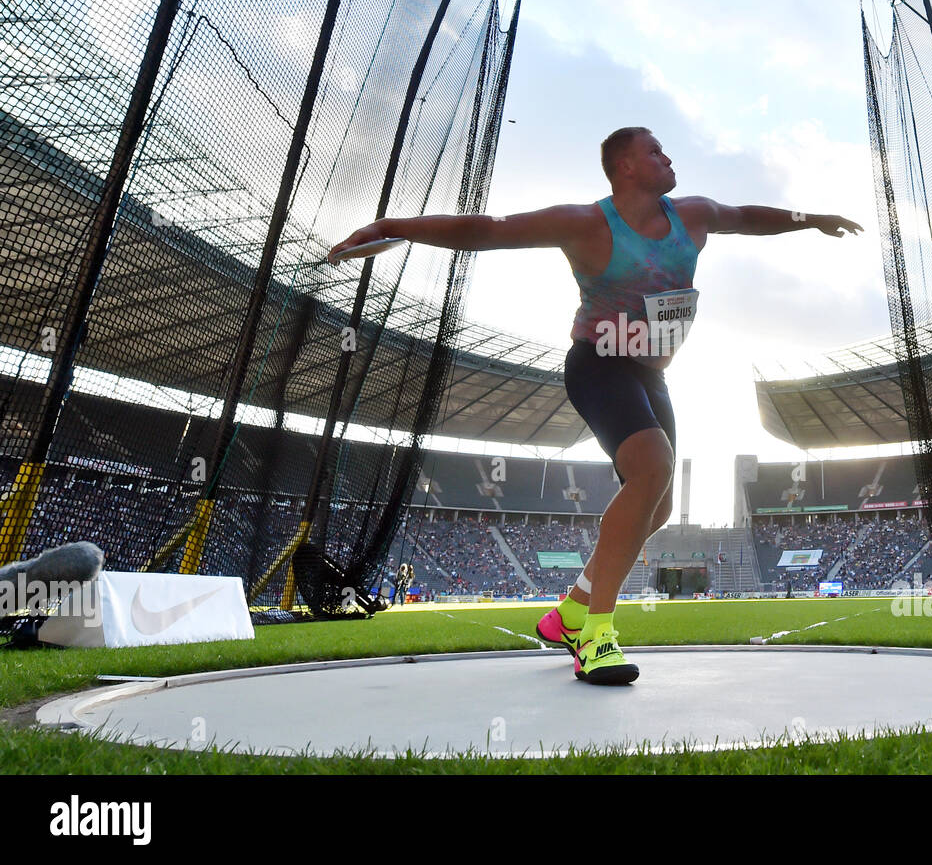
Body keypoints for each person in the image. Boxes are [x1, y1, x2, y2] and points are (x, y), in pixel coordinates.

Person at [330, 126, 861, 685]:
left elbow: (749, 217)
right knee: (652, 468)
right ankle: (596, 633)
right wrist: (392, 227)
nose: (669, 156)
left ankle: (572, 611)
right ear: (625, 167)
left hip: (652, 374)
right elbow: (493, 230)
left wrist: (810, 219)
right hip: (599, 364)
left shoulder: (693, 215)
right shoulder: (586, 224)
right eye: (656, 150)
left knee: (656, 506)